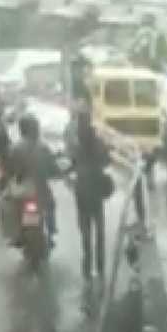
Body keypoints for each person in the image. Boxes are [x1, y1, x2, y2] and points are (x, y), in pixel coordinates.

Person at [69, 105, 113, 279]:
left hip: (81, 190)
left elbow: (72, 163)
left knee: (85, 228)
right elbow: (107, 161)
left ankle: (87, 265)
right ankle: (100, 266)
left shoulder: (76, 143)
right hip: (96, 188)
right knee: (99, 227)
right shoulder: (98, 142)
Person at [7, 113, 61, 243]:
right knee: (51, 205)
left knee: (10, 205)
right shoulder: (43, 148)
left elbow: (9, 170)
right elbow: (54, 169)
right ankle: (51, 229)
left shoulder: (15, 148)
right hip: (40, 190)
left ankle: (17, 234)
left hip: (22, 190)